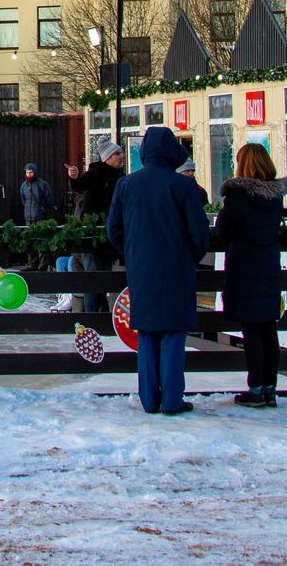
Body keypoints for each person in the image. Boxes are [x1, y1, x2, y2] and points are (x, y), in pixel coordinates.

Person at [107, 125, 209, 416]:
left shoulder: (126, 184)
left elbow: (113, 229)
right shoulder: (184, 186)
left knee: (147, 332)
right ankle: (172, 399)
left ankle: (149, 398)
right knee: (174, 333)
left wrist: (132, 252)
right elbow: (198, 233)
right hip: (176, 267)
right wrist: (189, 255)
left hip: (142, 268)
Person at [217, 144, 287, 408]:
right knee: (269, 329)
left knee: (252, 332)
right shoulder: (275, 197)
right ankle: (270, 388)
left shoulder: (238, 197)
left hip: (245, 267)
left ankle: (256, 388)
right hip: (269, 265)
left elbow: (223, 230)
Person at [58, 140, 127, 313]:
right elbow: (80, 185)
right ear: (108, 158)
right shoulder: (97, 173)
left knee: (104, 274)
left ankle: (99, 312)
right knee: (94, 276)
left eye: (121, 153)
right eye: (117, 154)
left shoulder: (120, 176)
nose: (121, 156)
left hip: (108, 233)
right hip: (91, 235)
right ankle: (91, 316)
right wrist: (73, 178)